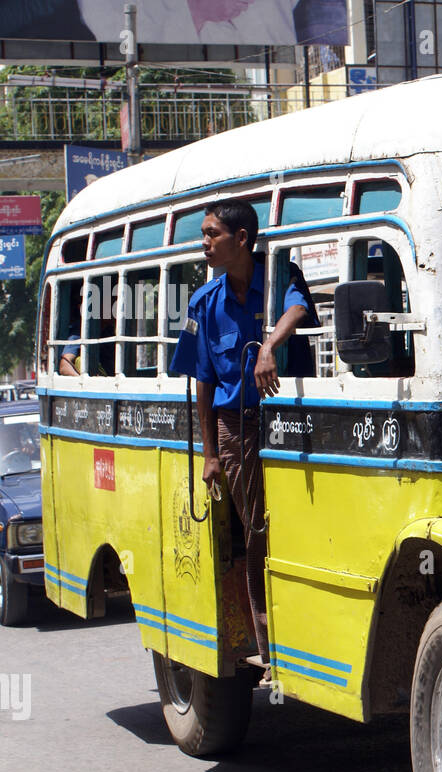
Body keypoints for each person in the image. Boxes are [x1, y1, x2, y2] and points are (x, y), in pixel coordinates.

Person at [168, 198, 312, 680]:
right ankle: (271, 649)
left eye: (212, 234)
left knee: (296, 526)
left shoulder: (278, 277)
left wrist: (269, 345)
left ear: (242, 240)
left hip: (291, 421)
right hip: (237, 429)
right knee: (259, 531)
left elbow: (298, 307)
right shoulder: (203, 304)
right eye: (204, 234)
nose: (204, 243)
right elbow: (202, 384)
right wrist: (209, 454)